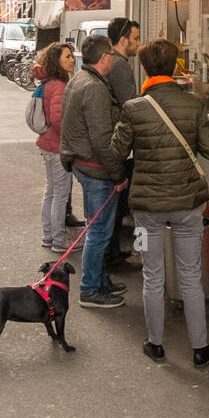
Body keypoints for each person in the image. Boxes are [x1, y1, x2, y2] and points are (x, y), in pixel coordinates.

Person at [111, 37, 209, 368]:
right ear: (175, 66)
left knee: (153, 274)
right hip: (188, 205)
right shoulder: (193, 105)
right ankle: (200, 348)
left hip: (147, 209)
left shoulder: (133, 108)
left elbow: (117, 150)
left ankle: (155, 344)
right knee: (190, 275)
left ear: (144, 67)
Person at [59, 36, 128, 309]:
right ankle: (89, 289)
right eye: (111, 54)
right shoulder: (95, 88)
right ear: (103, 59)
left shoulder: (79, 79)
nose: (113, 58)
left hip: (83, 163)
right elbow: (102, 138)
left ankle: (99, 280)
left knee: (97, 228)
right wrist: (118, 174)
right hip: (96, 168)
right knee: (98, 231)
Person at [103, 18, 141, 267]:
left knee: (115, 208)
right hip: (119, 145)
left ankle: (113, 252)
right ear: (124, 39)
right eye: (136, 38)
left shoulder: (115, 63)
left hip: (114, 142)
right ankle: (111, 256)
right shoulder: (120, 66)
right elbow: (129, 105)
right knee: (115, 207)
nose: (139, 43)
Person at [34, 41, 75, 254]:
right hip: (57, 147)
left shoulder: (48, 81)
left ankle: (48, 236)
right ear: (56, 61)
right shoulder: (59, 85)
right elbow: (59, 119)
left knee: (50, 192)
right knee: (60, 194)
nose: (72, 59)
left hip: (47, 144)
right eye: (67, 56)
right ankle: (58, 241)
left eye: (71, 56)